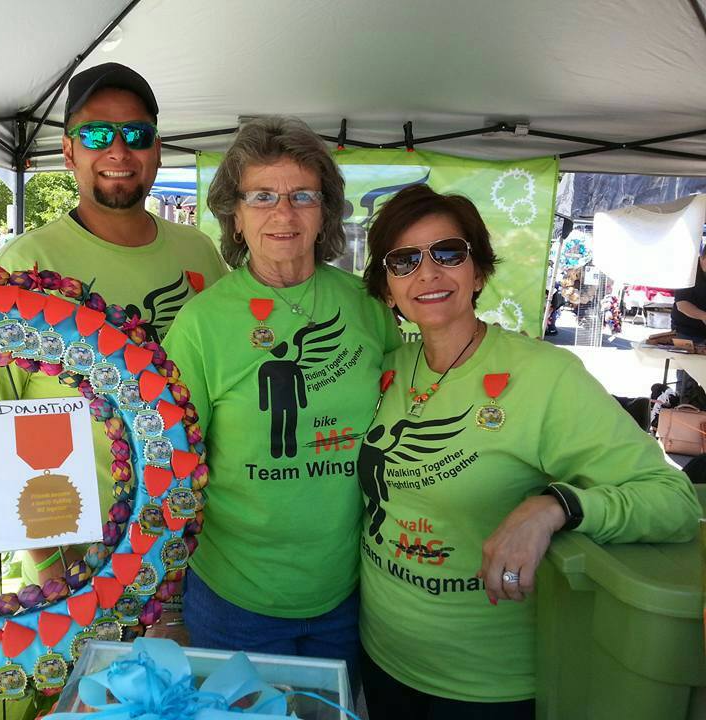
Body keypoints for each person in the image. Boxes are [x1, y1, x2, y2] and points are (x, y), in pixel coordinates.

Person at [358, 184, 700, 718]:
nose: (427, 273)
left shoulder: (545, 376)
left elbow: (673, 501)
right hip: (381, 658)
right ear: (386, 286)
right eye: (403, 260)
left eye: (448, 252)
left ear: (479, 270)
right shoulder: (387, 367)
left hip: (487, 688)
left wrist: (554, 506)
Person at [0, 62, 227, 586]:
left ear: (157, 149)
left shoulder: (200, 252)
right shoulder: (26, 262)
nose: (118, 151)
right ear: (69, 151)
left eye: (136, 134)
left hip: (195, 540)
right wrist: (46, 554)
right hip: (76, 554)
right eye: (95, 134)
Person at [162, 116, 402, 680]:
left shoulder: (366, 305)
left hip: (349, 591)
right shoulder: (200, 325)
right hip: (233, 601)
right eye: (263, 196)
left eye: (302, 196)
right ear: (235, 216)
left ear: (326, 212)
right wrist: (168, 603)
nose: (284, 214)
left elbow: (407, 413)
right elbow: (169, 465)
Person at [671, 247, 706, 403]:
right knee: (686, 376)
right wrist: (703, 316)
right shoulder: (687, 272)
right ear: (702, 258)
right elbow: (682, 304)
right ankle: (684, 408)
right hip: (686, 330)